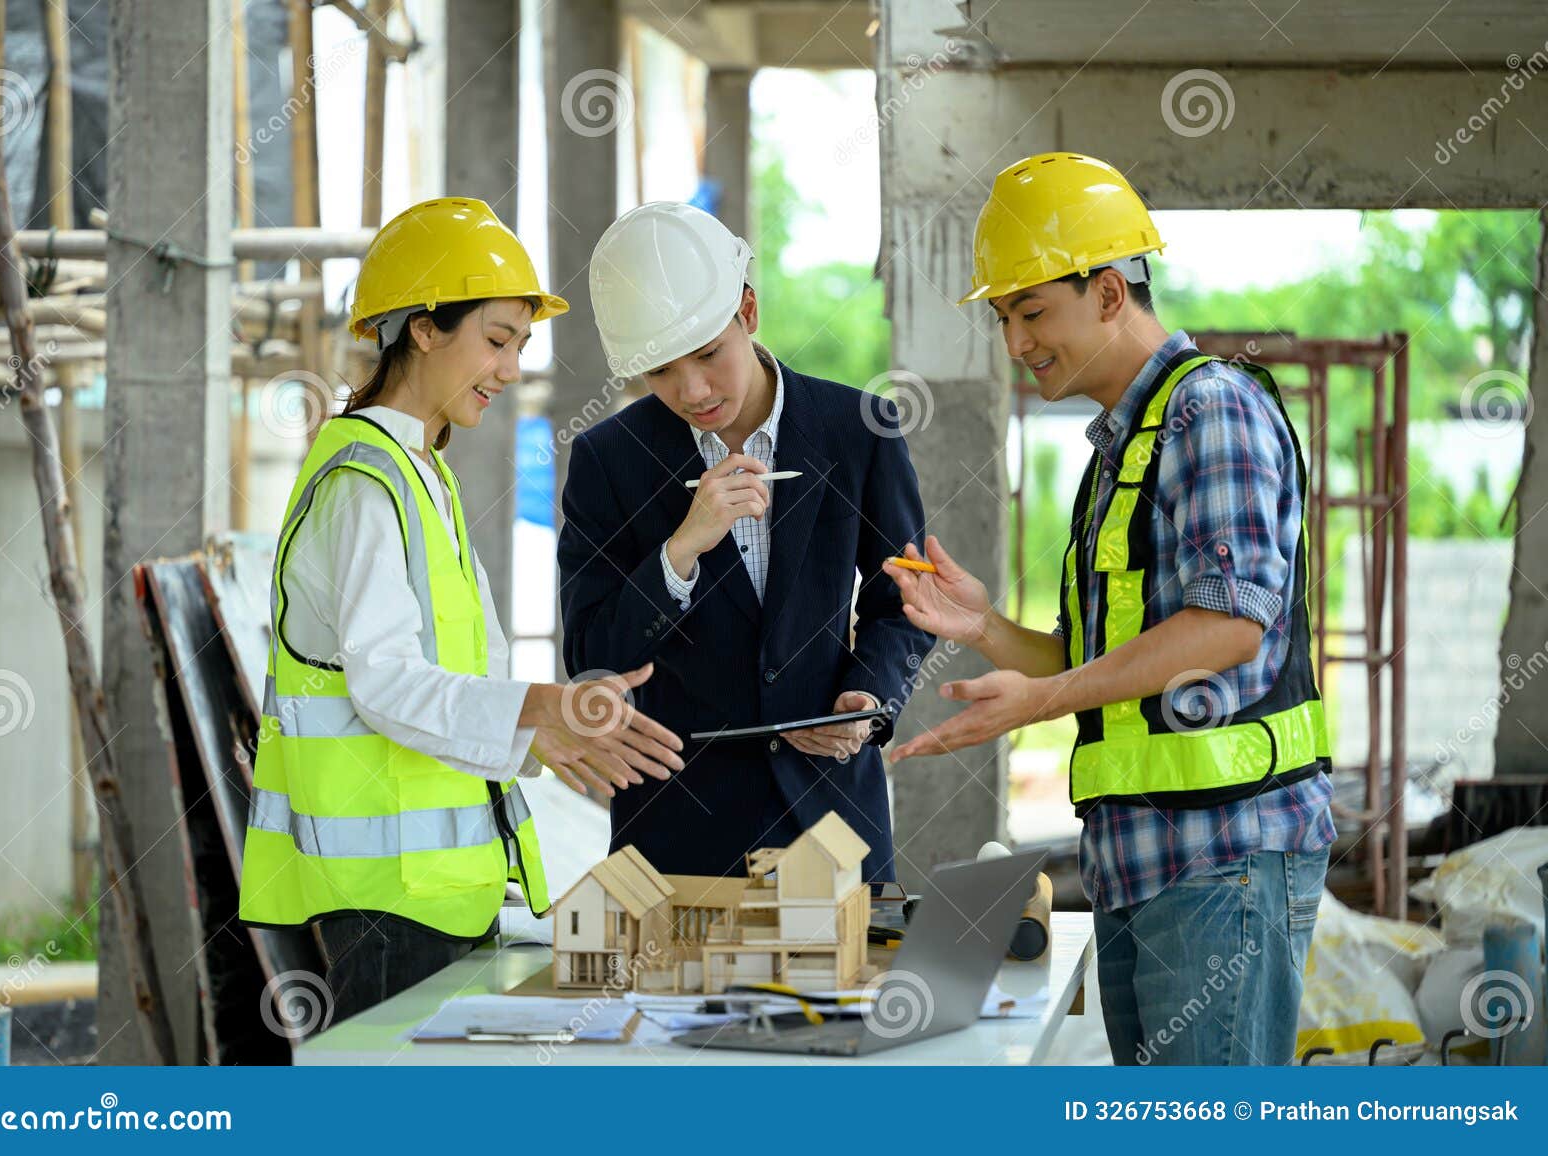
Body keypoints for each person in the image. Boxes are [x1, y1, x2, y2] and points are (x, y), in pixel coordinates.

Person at [885, 154, 1334, 1065]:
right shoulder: (1118, 451)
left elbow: (1228, 625)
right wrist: (986, 630)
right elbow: (1114, 663)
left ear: (1107, 292)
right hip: (1144, 862)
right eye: (1005, 317)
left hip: (1224, 854)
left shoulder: (1210, 410)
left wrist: (1042, 704)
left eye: (1032, 311)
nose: (1015, 342)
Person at [239, 197, 684, 1023]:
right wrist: (535, 710)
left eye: (520, 345)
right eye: (497, 339)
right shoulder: (363, 488)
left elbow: (445, 686)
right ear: (424, 330)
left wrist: (539, 728)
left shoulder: (421, 475)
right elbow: (387, 687)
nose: (511, 369)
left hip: (434, 895)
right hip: (378, 905)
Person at [557, 201, 935, 882]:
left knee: (847, 990)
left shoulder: (858, 430)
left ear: (749, 313)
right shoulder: (609, 458)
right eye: (661, 371)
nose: (693, 390)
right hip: (677, 833)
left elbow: (904, 603)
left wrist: (867, 701)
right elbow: (592, 657)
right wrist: (682, 550)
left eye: (708, 355)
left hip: (832, 819)